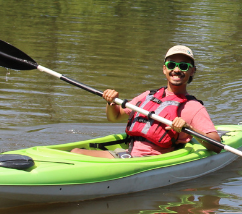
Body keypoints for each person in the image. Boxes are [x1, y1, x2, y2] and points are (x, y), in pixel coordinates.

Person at [71, 45, 222, 159]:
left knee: (76, 156)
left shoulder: (193, 107)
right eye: (171, 65)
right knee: (75, 152)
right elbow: (115, 117)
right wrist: (111, 102)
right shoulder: (149, 96)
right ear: (164, 69)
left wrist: (189, 129)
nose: (176, 70)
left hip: (150, 161)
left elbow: (217, 145)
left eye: (183, 66)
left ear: (192, 71)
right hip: (128, 154)